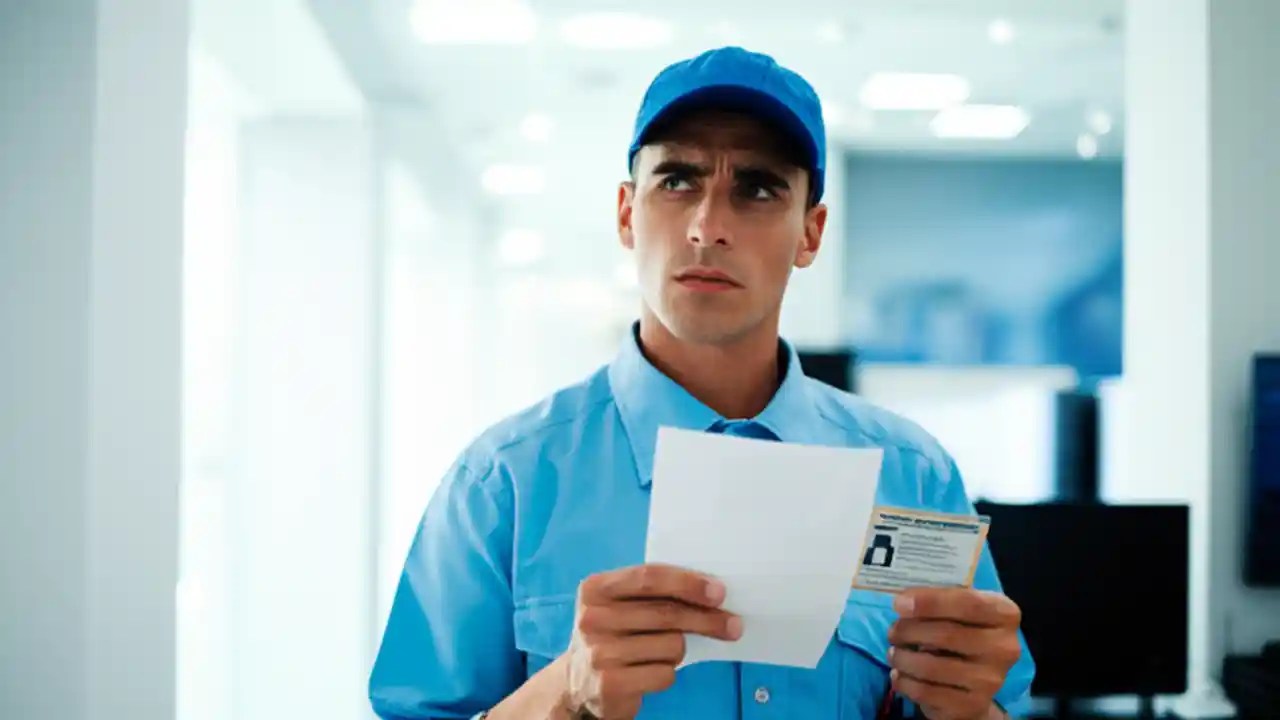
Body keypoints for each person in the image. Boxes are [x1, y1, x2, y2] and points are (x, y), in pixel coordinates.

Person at [369, 46, 1035, 720]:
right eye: (678, 181)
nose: (707, 228)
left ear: (811, 232)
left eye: (758, 188)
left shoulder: (912, 477)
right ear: (628, 214)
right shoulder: (502, 484)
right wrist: (567, 688)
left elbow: (987, 705)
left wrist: (974, 711)